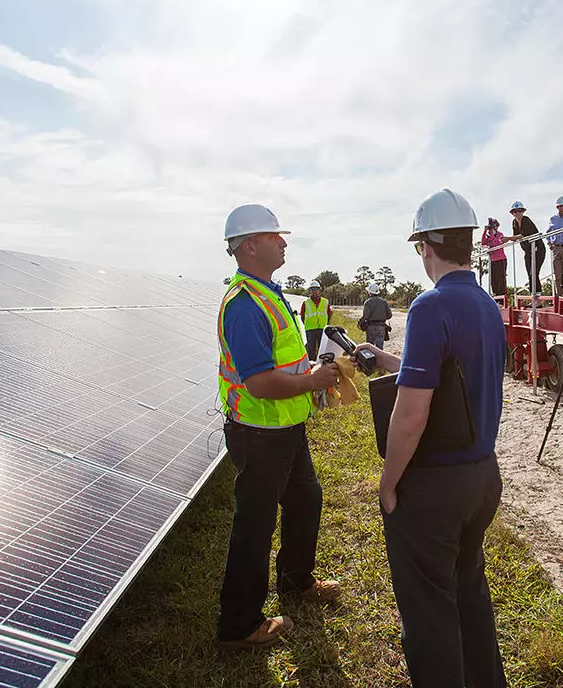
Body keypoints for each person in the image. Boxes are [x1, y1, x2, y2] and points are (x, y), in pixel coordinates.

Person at [352, 188, 507, 687]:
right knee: (468, 595)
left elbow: (412, 412)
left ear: (426, 247)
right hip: (481, 478)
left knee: (429, 618)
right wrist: (385, 362)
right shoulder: (486, 304)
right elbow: (446, 376)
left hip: (435, 488)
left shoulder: (429, 306)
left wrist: (388, 481)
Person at [215, 204, 342, 652]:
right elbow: (260, 382)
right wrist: (313, 382)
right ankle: (238, 626)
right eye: (274, 237)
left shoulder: (269, 293)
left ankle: (294, 581)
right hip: (261, 433)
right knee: (254, 526)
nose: (284, 242)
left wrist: (312, 382)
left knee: (306, 498)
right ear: (250, 246)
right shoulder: (245, 305)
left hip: (286, 428)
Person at [510, 200, 546, 294]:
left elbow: (522, 235)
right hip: (528, 251)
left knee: (533, 272)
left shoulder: (526, 220)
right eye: (515, 211)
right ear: (512, 213)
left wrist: (508, 238)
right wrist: (509, 238)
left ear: (523, 211)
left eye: (519, 210)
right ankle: (534, 295)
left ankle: (537, 295)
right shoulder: (514, 223)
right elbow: (516, 237)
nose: (517, 213)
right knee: (529, 274)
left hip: (538, 250)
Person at [300, 280, 332, 361]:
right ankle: (312, 364)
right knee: (311, 349)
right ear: (310, 290)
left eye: (316, 289)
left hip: (322, 328)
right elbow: (302, 316)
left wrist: (325, 324)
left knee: (323, 347)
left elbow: (329, 314)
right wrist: (309, 324)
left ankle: (322, 363)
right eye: (312, 289)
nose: (314, 291)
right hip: (310, 329)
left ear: (319, 290)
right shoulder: (305, 303)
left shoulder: (325, 302)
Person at [480, 217, 510, 297]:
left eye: (494, 226)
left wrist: (492, 235)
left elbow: (496, 243)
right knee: (493, 280)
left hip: (501, 260)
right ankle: (496, 297)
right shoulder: (488, 236)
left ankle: (502, 298)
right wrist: (484, 232)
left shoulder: (500, 234)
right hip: (492, 261)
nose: (493, 228)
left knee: (501, 280)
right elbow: (483, 242)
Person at [360, 282, 392, 349]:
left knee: (369, 347)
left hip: (370, 327)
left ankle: (370, 359)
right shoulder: (384, 302)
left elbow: (365, 316)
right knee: (379, 348)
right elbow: (389, 315)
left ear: (370, 292)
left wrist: (360, 322)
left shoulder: (368, 302)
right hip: (381, 327)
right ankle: (379, 359)